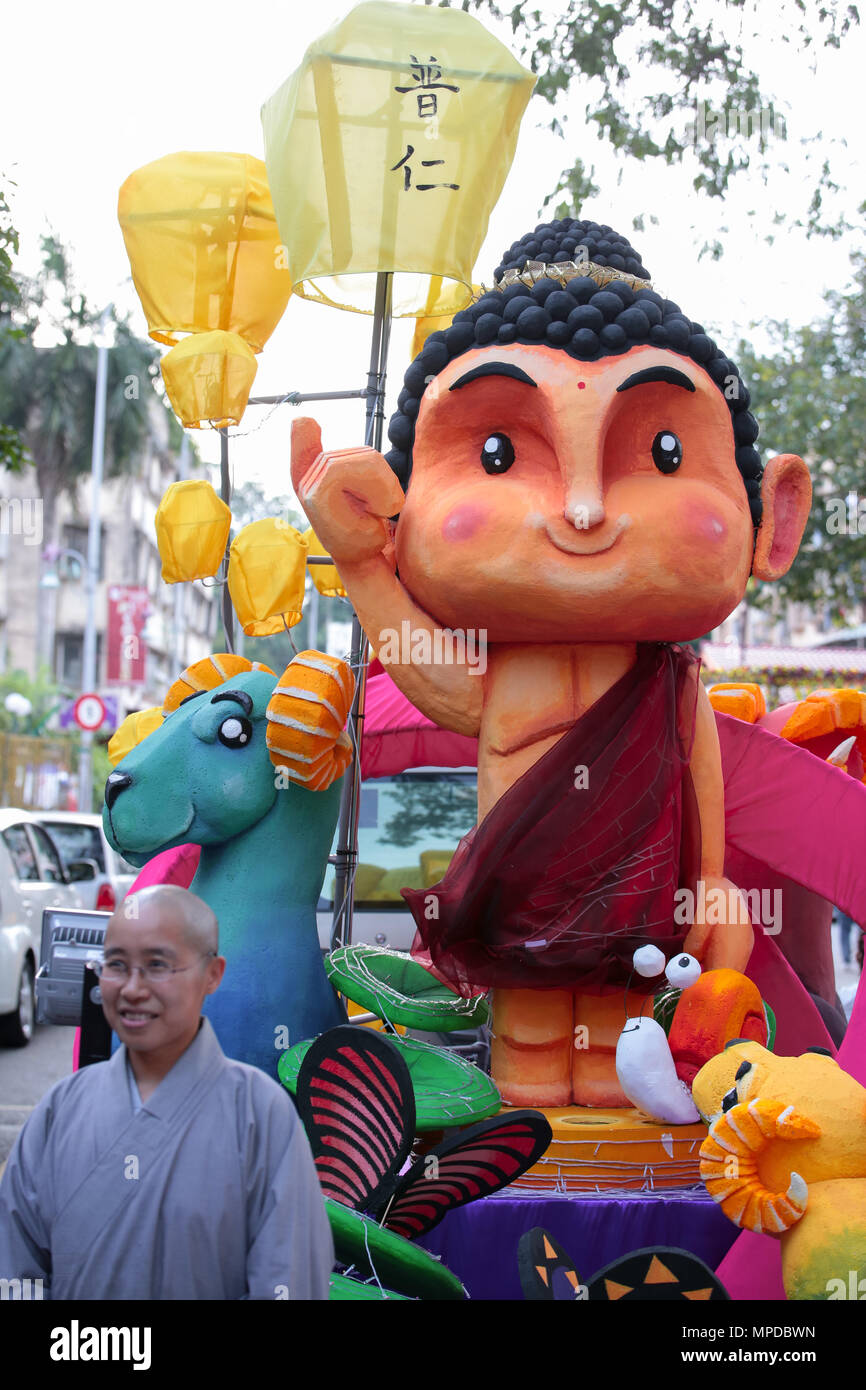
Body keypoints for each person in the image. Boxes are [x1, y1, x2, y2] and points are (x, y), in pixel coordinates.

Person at [0, 885, 334, 1299]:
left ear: (213, 974)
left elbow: (289, 1280)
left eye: (158, 965)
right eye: (116, 965)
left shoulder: (262, 1116)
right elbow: (15, 1268)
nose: (133, 989)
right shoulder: (59, 1110)